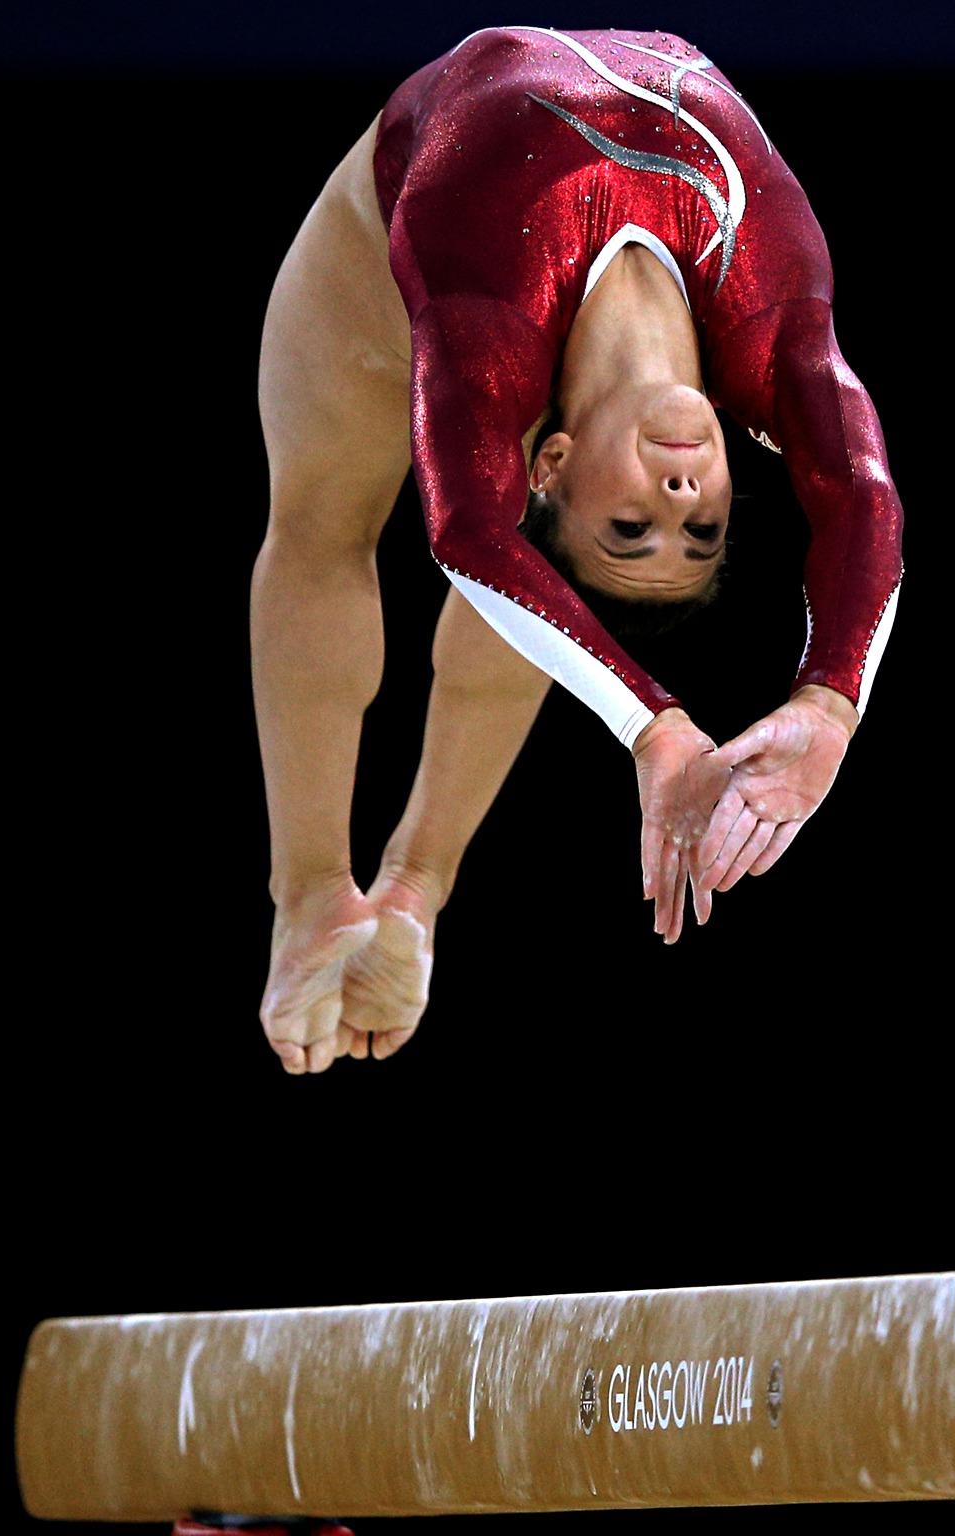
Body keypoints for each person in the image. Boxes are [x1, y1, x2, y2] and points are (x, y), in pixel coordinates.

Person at [252, 25, 904, 1074]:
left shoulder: (488, 321)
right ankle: (312, 888)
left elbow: (470, 536)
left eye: (635, 523)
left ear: (547, 463)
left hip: (427, 214)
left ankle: (387, 894)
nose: (681, 497)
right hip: (476, 220)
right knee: (339, 523)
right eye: (703, 526)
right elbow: (864, 501)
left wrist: (656, 730)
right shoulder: (770, 327)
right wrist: (828, 701)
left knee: (355, 522)